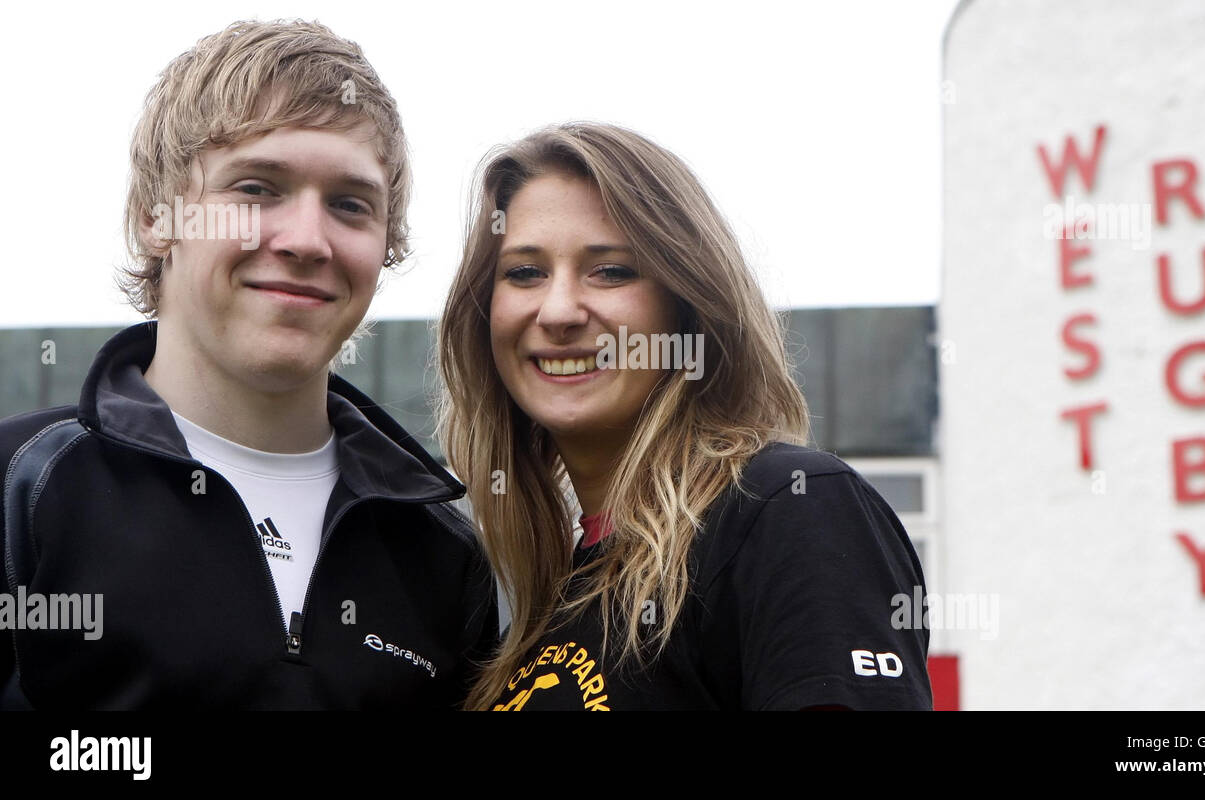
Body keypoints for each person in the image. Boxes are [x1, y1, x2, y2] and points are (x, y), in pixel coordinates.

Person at [0, 20, 495, 709]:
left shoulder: (440, 550)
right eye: (258, 189)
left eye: (350, 205)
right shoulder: (21, 486)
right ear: (156, 215)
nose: (305, 240)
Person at [437, 122, 932, 710]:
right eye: (524, 272)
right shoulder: (548, 599)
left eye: (611, 270)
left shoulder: (787, 509)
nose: (560, 310)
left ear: (688, 305)